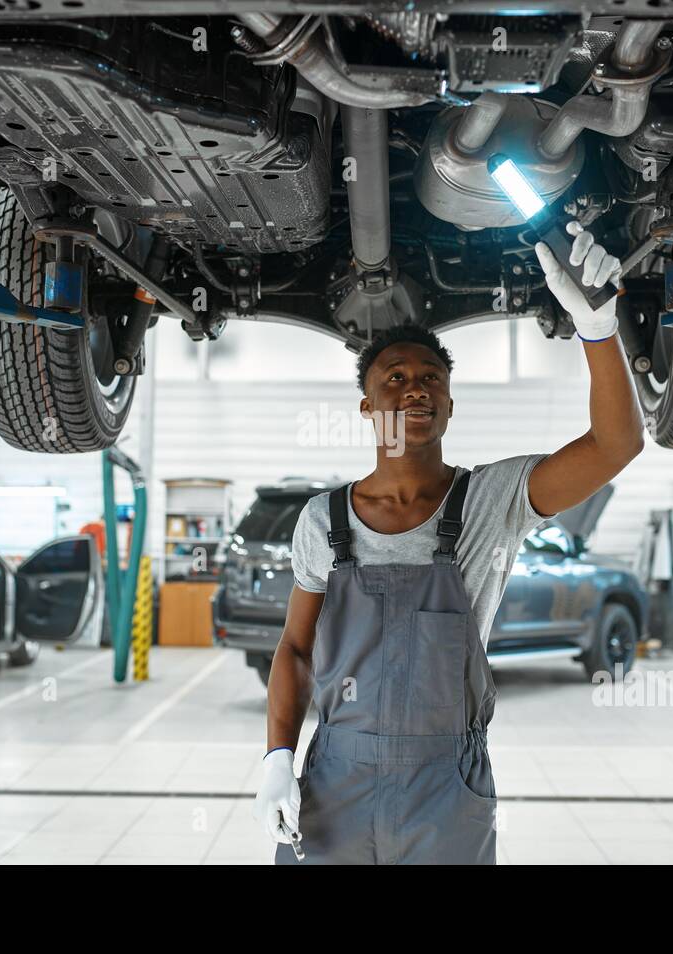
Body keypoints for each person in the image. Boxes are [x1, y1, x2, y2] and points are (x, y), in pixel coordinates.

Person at [252, 222, 645, 864]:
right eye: (395, 377)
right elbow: (295, 647)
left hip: (446, 784)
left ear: (451, 403)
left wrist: (598, 330)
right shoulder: (324, 522)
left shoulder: (494, 500)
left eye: (431, 378)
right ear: (366, 406)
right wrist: (276, 760)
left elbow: (615, 445)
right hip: (334, 782)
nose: (415, 387)